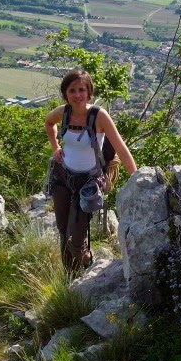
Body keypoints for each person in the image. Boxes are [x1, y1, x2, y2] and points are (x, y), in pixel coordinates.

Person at [44, 69, 137, 274]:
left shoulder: (98, 116)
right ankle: (70, 276)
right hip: (62, 177)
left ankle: (86, 263)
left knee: (76, 240)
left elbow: (121, 149)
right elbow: (49, 123)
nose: (77, 95)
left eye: (82, 90)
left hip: (87, 183)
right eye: (72, 90)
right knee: (63, 230)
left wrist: (137, 180)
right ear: (65, 93)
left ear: (89, 92)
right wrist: (55, 147)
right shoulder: (63, 112)